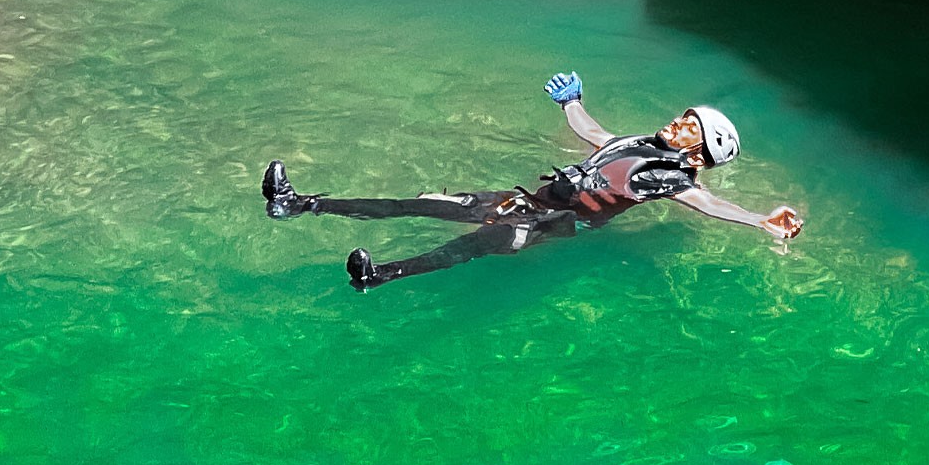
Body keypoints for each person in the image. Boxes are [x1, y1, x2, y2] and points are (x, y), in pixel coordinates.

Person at [261, 72, 804, 291]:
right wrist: (572, 103)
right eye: (686, 116)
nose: (680, 122)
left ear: (702, 153)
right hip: (520, 200)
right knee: (419, 203)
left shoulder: (669, 175)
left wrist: (760, 220)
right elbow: (595, 134)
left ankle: (379, 276)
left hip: (550, 224)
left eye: (693, 128)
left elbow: (706, 204)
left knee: (468, 246)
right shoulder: (640, 143)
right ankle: (298, 204)